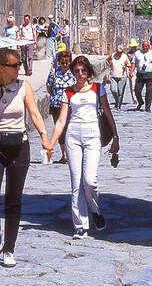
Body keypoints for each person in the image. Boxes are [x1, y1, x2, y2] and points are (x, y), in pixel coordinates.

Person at [0, 47, 51, 267]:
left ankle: (9, 249)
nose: (19, 68)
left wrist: (45, 137)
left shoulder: (23, 87)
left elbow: (34, 113)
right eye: (15, 65)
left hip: (18, 146)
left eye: (19, 65)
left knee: (13, 200)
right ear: (1, 68)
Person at [47, 55, 120, 239]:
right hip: (73, 136)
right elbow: (62, 120)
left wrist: (116, 138)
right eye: (77, 71)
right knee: (76, 182)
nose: (80, 74)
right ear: (73, 72)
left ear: (88, 71)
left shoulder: (97, 88)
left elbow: (108, 113)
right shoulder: (68, 93)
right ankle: (80, 224)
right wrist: (51, 143)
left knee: (89, 180)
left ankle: (95, 210)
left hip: (92, 135)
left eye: (83, 70)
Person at [45, 49, 76, 163]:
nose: (64, 64)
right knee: (60, 130)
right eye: (62, 62)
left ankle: (72, 152)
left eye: (66, 62)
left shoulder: (74, 74)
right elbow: (49, 88)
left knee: (70, 129)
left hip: (70, 106)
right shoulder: (53, 74)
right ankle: (64, 154)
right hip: (56, 105)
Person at [133, 38, 152, 112]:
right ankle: (140, 102)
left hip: (149, 75)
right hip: (140, 75)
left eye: (147, 46)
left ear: (149, 46)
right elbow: (133, 63)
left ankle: (147, 107)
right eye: (144, 46)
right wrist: (131, 71)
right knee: (137, 90)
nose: (145, 47)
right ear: (142, 46)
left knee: (149, 92)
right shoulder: (137, 53)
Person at [106, 42, 130, 111]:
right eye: (118, 52)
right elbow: (107, 61)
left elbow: (129, 64)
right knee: (114, 90)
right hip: (113, 76)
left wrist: (126, 66)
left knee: (120, 92)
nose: (119, 53)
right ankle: (117, 101)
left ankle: (118, 105)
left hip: (122, 76)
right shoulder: (112, 55)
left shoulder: (125, 56)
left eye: (120, 52)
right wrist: (109, 64)